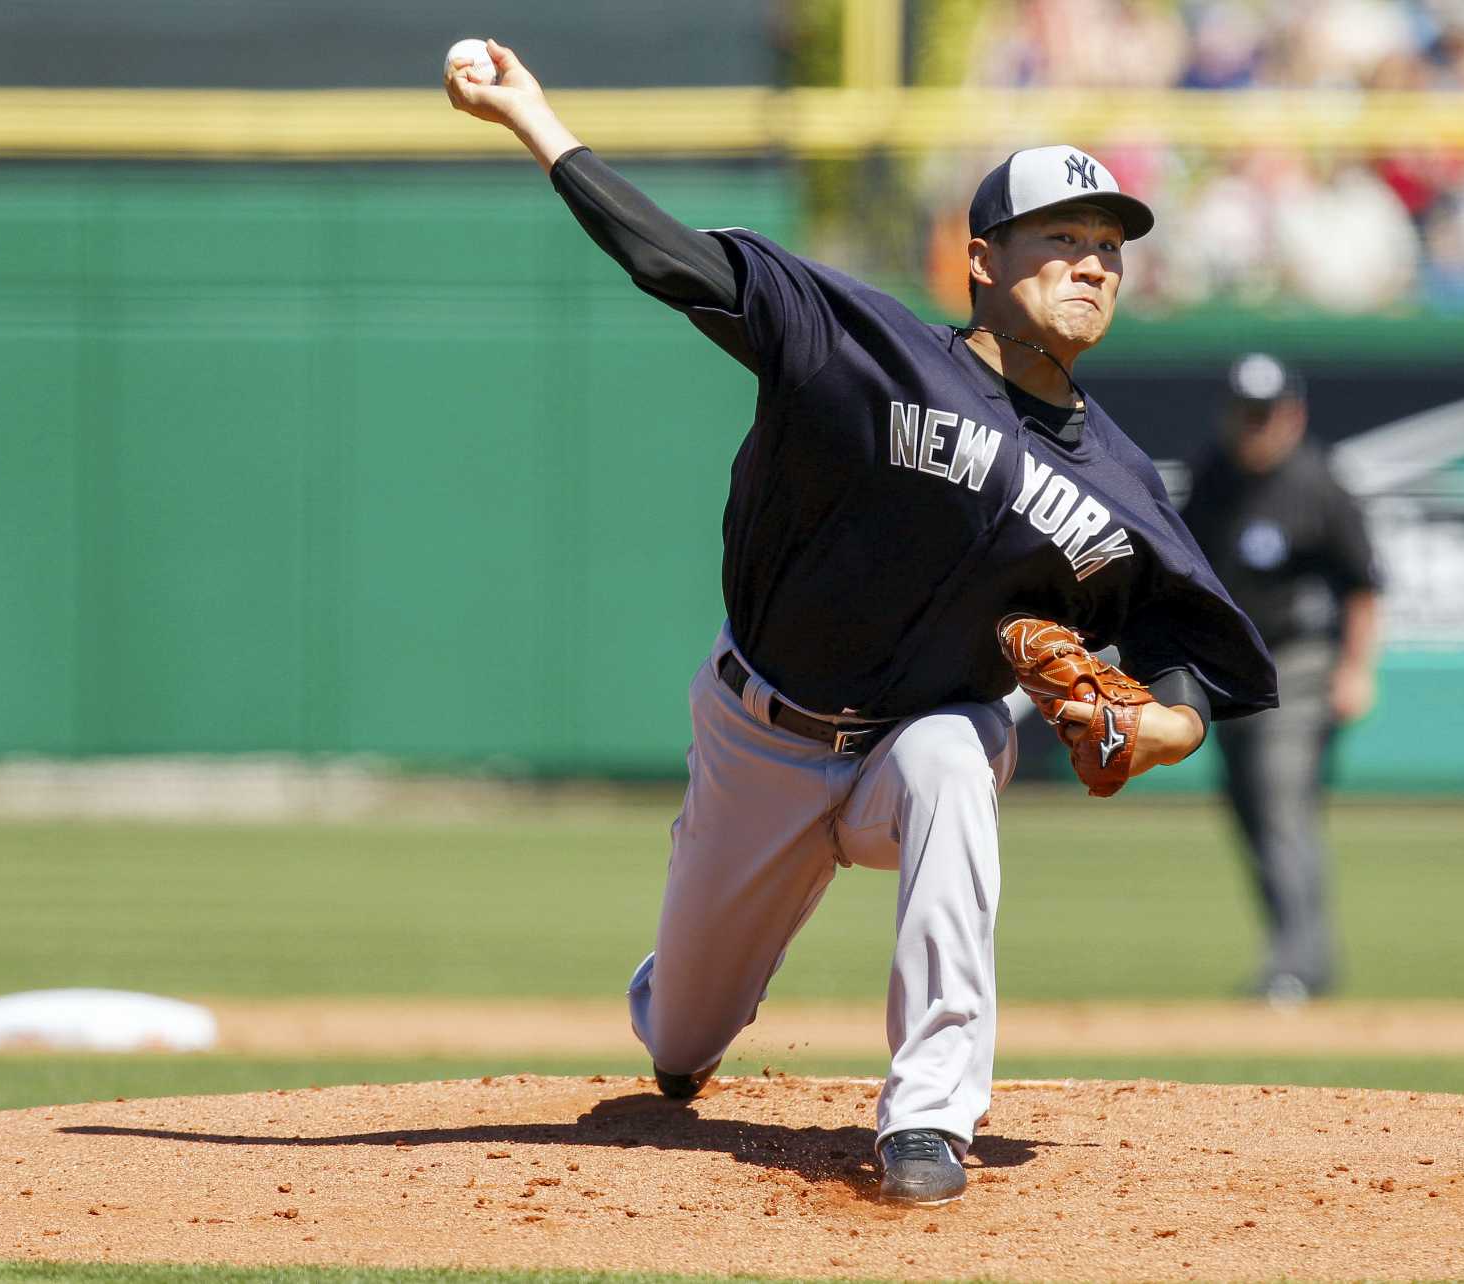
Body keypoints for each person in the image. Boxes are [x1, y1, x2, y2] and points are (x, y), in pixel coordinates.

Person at [444, 41, 1274, 1205]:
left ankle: (927, 1117)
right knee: (679, 1043)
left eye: (1108, 250)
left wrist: (1157, 735)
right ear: (980, 260)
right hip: (761, 736)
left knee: (951, 750)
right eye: (1059, 239)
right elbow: (672, 261)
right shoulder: (863, 350)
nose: (1090, 266)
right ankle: (685, 997)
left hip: (912, 742)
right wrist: (538, 123)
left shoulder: (1124, 490)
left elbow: (1203, 670)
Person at [1180, 354, 1382, 1004]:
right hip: (1228, 672)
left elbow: (1363, 586)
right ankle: (1301, 960)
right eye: (1245, 413)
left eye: (1266, 415)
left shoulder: (1318, 483)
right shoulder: (1212, 478)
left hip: (1297, 666)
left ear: (1293, 415)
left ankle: (1296, 963)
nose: (1254, 427)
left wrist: (1355, 668)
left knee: (1280, 801)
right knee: (1247, 808)